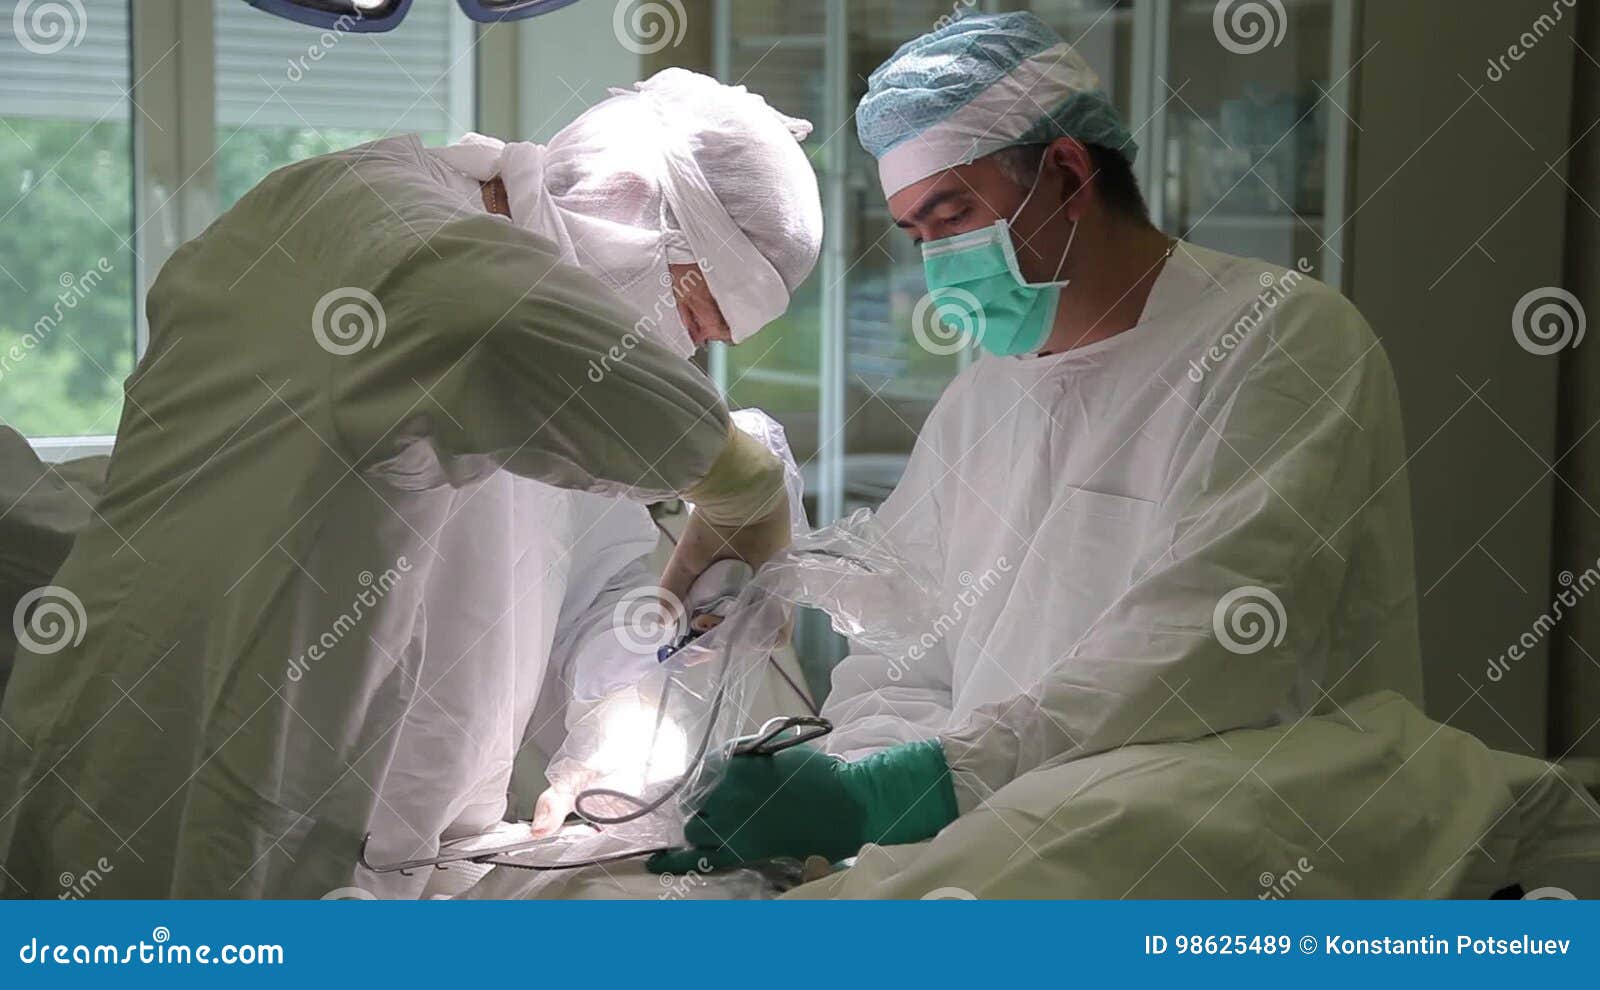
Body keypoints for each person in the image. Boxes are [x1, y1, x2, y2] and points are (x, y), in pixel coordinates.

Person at [0, 68, 821, 898]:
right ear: (629, 199)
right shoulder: (378, 220)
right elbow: (493, 321)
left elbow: (598, 576)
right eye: (693, 314)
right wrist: (741, 474)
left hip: (396, 855)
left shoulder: (557, 368)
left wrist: (625, 718)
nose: (679, 351)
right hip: (166, 808)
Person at [650, 12, 1422, 874]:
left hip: (1230, 850)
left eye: (951, 219)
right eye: (915, 235)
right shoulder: (987, 392)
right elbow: (911, 658)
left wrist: (907, 790)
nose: (935, 263)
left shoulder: (1276, 342)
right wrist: (846, 797)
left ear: (1063, 171)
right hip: (1015, 834)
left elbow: (1199, 660)